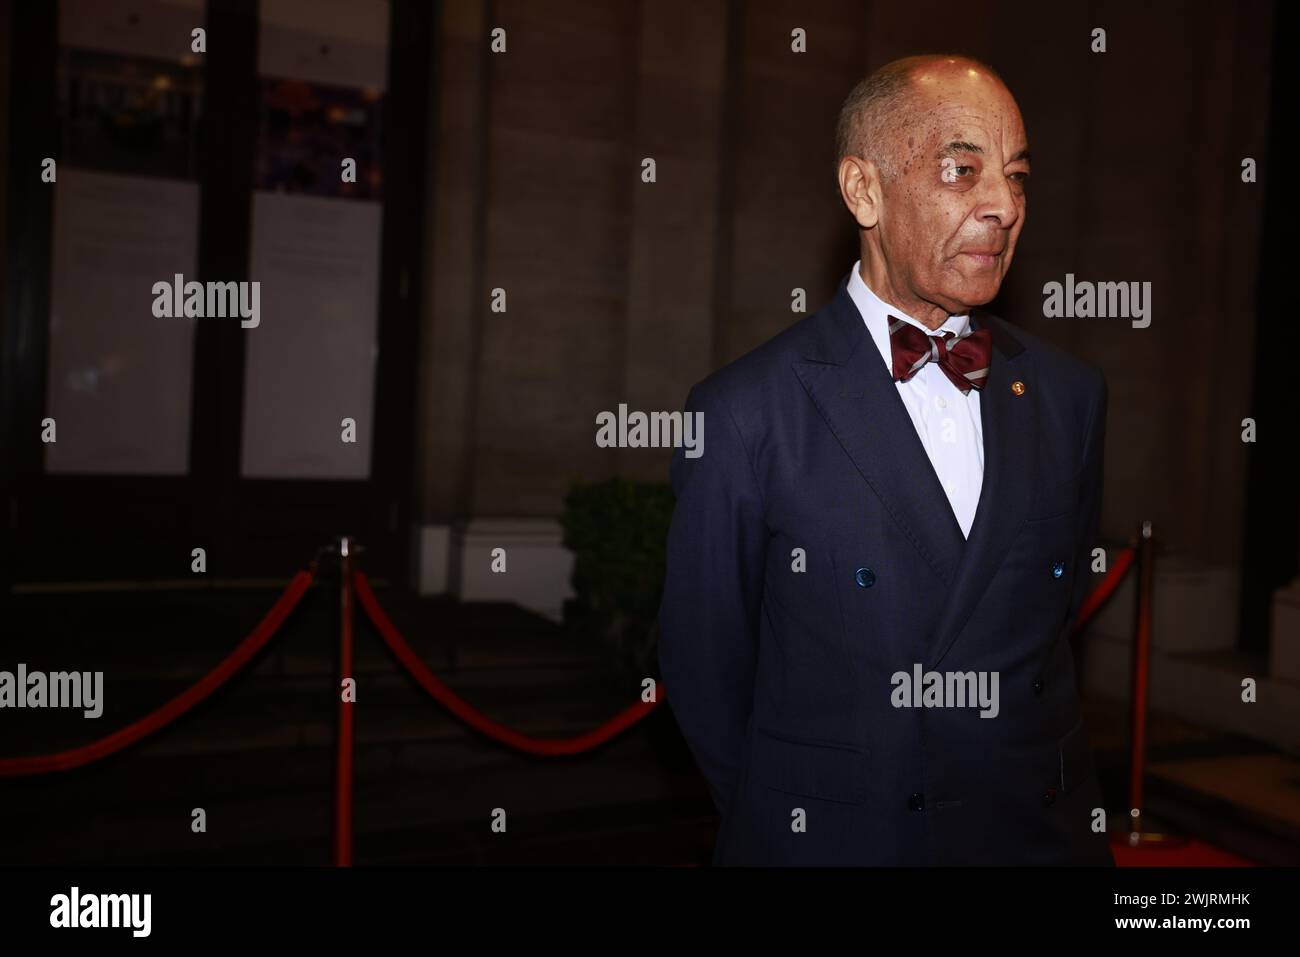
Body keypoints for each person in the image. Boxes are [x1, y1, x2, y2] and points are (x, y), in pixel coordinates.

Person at [657, 54, 1113, 865]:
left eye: (1015, 175)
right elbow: (704, 669)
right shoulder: (742, 412)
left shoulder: (1068, 396)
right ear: (863, 190)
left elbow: (1050, 618)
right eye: (960, 169)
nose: (1004, 206)